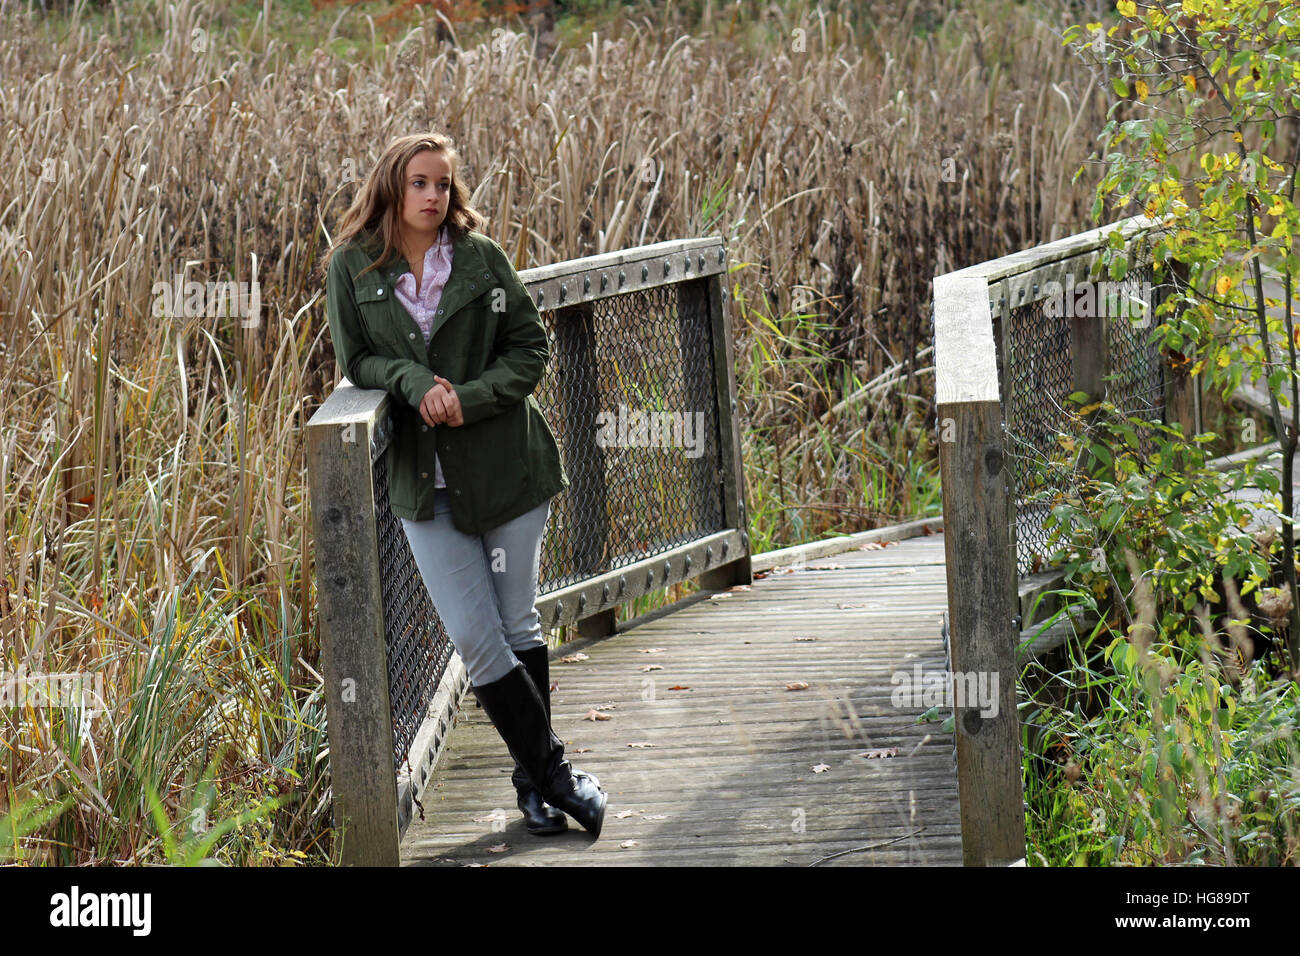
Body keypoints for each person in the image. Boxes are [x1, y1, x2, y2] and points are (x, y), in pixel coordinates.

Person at [321, 132, 607, 838]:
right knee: (478, 638)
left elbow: (530, 346)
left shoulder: (479, 259)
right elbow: (356, 359)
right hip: (424, 485)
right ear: (392, 186)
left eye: (443, 185)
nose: (432, 197)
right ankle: (558, 775)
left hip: (508, 467)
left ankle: (534, 786)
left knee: (517, 625)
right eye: (419, 183)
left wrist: (470, 397)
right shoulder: (352, 267)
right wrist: (413, 381)